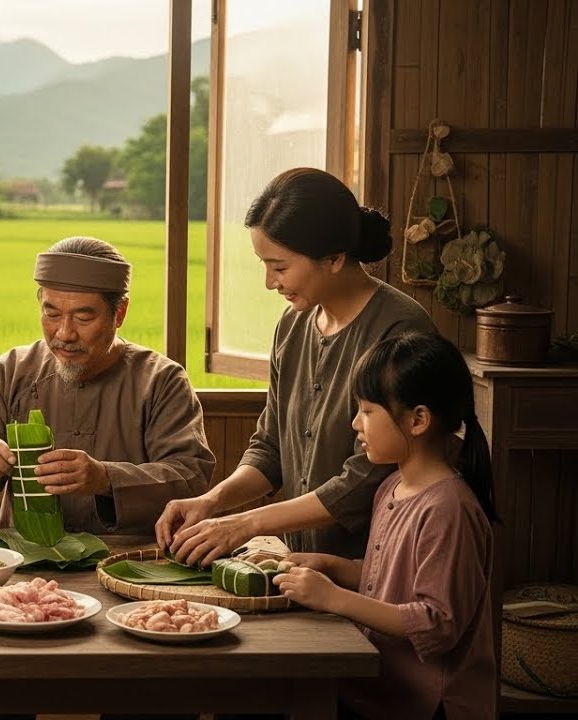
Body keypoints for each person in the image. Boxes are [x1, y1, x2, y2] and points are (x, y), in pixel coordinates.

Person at [156, 168, 437, 565]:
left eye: (280, 267)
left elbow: (366, 476)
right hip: (301, 566)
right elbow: (270, 448)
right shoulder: (293, 326)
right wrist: (211, 501)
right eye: (264, 265)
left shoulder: (401, 327)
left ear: (335, 258)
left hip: (378, 568)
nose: (270, 282)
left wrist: (247, 524)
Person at [274, 331, 497, 719]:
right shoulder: (392, 485)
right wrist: (331, 566)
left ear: (418, 420)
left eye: (367, 410)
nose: (355, 423)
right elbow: (392, 581)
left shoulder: (448, 508)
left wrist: (333, 598)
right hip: (383, 691)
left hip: (429, 704)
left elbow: (437, 623)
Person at [0, 236, 215, 534]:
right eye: (51, 313)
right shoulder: (12, 370)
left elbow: (190, 473)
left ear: (119, 313)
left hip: (126, 562)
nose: (65, 333)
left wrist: (106, 478)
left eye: (83, 317)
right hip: (27, 560)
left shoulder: (161, 380)